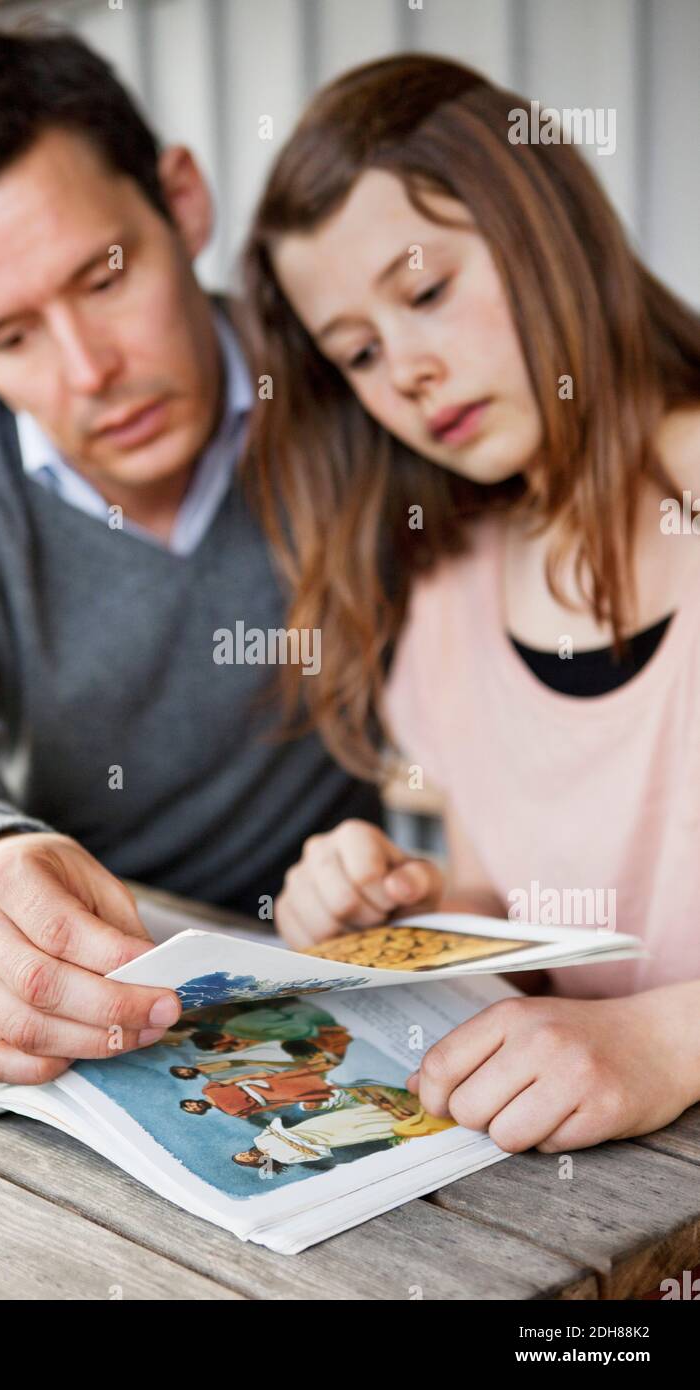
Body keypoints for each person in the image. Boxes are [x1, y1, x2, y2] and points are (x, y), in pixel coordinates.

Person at [0, 19, 440, 1087]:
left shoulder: (356, 373)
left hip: (336, 976)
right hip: (95, 1011)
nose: (89, 370)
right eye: (9, 336)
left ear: (182, 201)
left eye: (105, 277)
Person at [243, 53, 700, 1152]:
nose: (404, 370)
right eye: (355, 351)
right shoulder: (443, 599)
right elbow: (516, 905)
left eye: (426, 292)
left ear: (545, 224)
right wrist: (405, 910)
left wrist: (671, 1040)